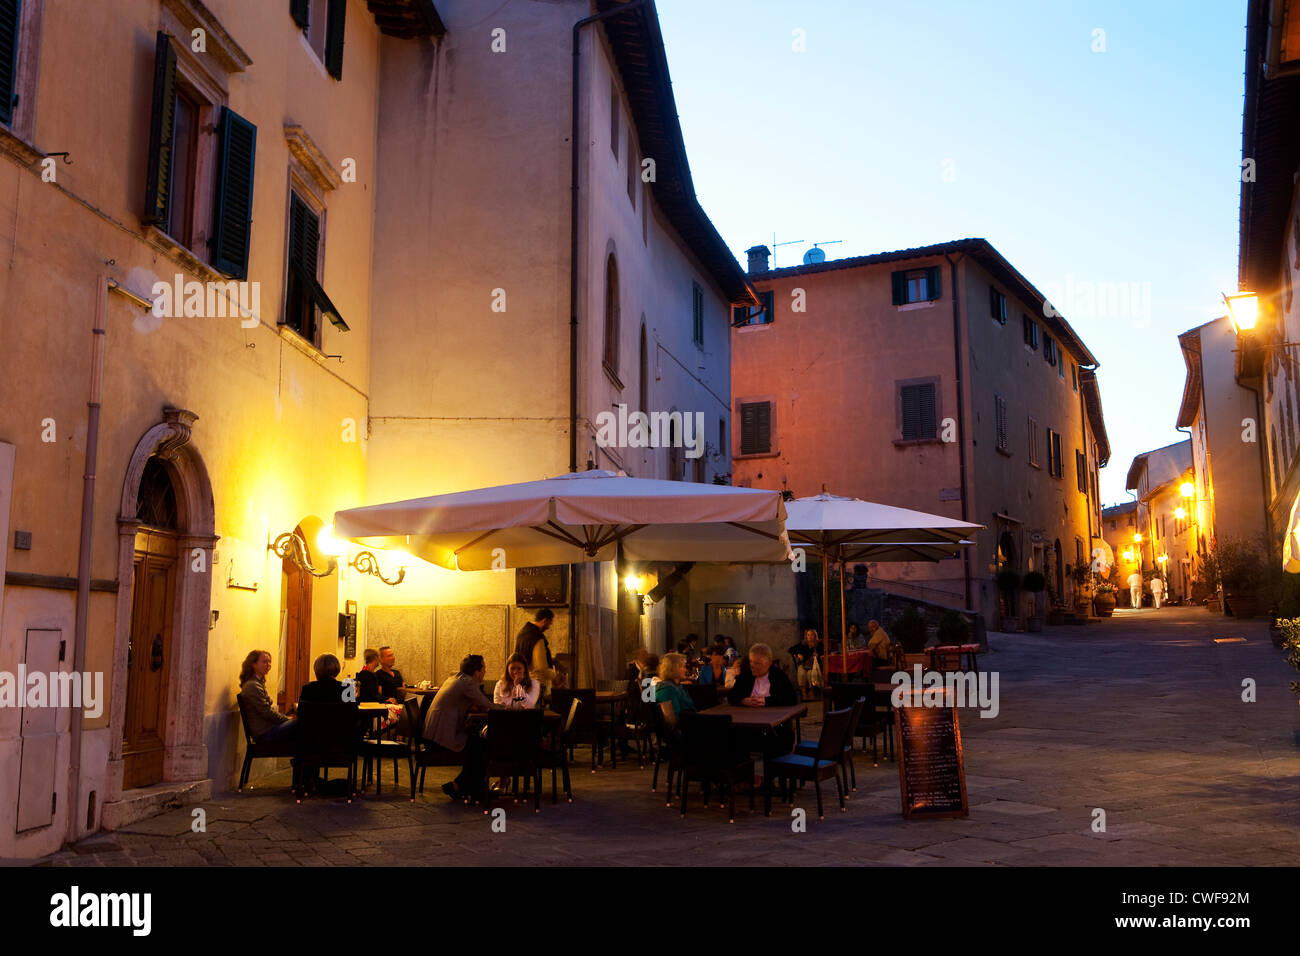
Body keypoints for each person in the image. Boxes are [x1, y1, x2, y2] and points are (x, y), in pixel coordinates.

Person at [423, 654, 502, 800]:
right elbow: (488, 705)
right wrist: (506, 708)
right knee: (481, 746)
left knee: (477, 744)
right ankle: (474, 789)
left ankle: (461, 785)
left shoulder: (455, 678)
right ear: (477, 672)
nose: (485, 672)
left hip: (432, 734)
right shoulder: (468, 683)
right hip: (441, 737)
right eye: (484, 669)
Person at [725, 643, 798, 758]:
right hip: (748, 729)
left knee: (772, 742)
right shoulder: (746, 675)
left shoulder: (778, 676)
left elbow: (791, 698)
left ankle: (769, 774)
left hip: (775, 731)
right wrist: (742, 701)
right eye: (751, 662)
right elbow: (732, 696)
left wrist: (766, 701)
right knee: (730, 739)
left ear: (768, 663)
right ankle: (743, 773)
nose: (752, 666)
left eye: (757, 663)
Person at [238, 650, 296, 746]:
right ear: (254, 664)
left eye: (269, 662)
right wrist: (287, 719)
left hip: (268, 730)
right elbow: (267, 713)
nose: (268, 665)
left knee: (303, 724)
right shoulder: (252, 686)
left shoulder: (257, 683)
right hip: (264, 734)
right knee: (303, 722)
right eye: (264, 662)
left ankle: (301, 758)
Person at [515, 608, 558, 698]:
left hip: (522, 680)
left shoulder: (521, 634)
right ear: (544, 621)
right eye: (549, 623)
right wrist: (555, 676)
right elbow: (541, 667)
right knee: (536, 710)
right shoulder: (537, 637)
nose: (549, 627)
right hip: (535, 683)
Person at [653, 652, 697, 732]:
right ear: (673, 668)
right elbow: (672, 722)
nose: (686, 670)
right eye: (683, 667)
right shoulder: (666, 689)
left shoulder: (677, 686)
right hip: (685, 734)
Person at [789, 629, 823, 701]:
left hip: (814, 666)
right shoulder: (803, 644)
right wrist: (798, 654)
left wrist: (819, 655)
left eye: (812, 635)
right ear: (806, 636)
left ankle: (811, 692)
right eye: (808, 635)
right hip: (804, 664)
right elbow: (791, 649)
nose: (810, 637)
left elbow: (825, 652)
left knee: (810, 673)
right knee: (801, 672)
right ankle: (803, 693)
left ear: (815, 636)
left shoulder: (819, 644)